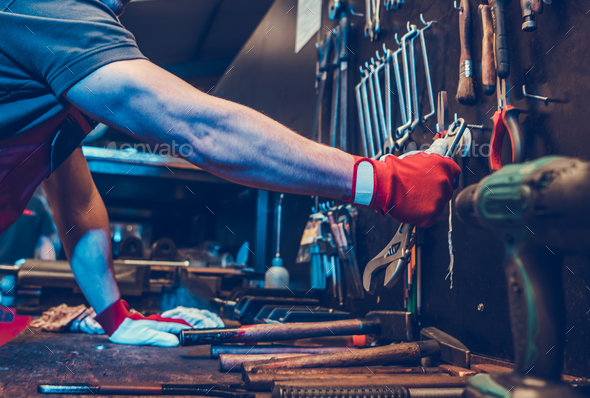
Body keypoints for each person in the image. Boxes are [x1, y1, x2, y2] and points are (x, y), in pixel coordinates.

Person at [0, 0, 460, 346]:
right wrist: (382, 182)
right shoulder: (47, 9)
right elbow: (196, 127)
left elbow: (74, 199)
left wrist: (115, 317)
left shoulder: (61, 37)